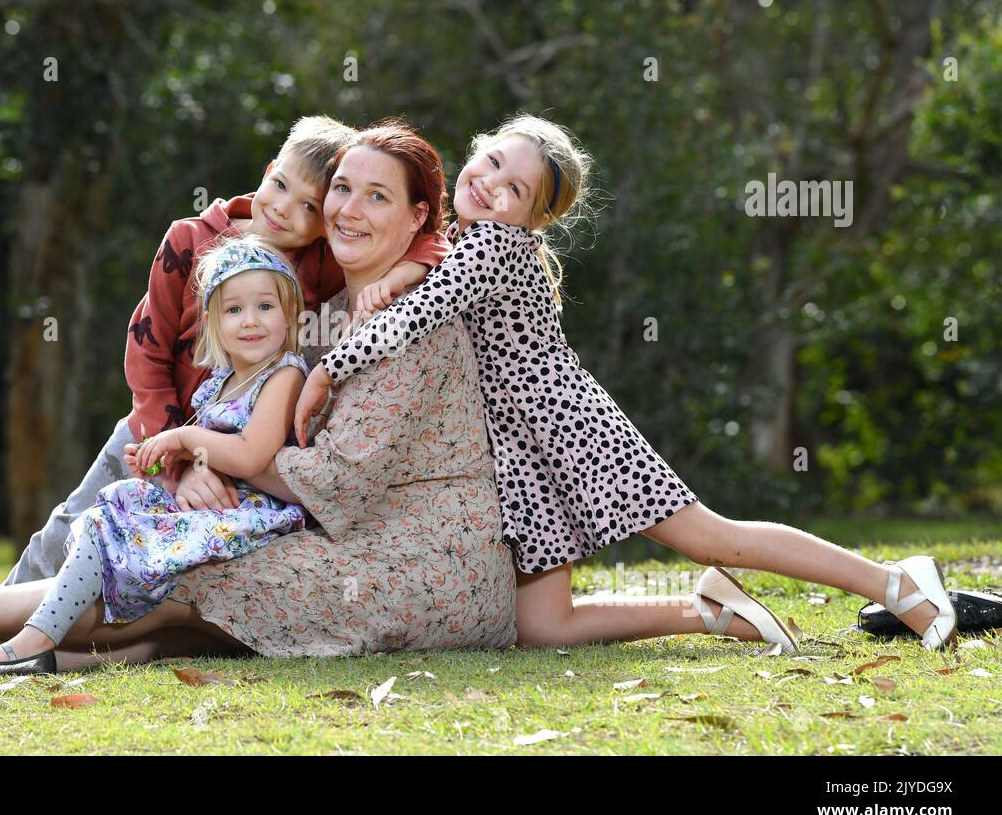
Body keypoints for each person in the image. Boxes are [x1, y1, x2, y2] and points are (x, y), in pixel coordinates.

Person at [0, 118, 516, 676]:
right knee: (86, 534)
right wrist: (179, 453)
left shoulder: (392, 303)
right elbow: (146, 354)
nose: (341, 210)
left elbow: (336, 472)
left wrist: (210, 456)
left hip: (397, 558)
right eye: (340, 191)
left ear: (422, 218)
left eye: (374, 196)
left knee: (175, 576)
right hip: (163, 431)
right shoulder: (211, 243)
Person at [293, 113, 958, 654]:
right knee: (541, 627)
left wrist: (326, 368)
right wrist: (408, 275)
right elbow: (434, 273)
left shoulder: (492, 245)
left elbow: (421, 312)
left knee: (711, 536)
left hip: (574, 432)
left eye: (515, 190)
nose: (493, 185)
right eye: (493, 162)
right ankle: (705, 608)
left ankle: (897, 582)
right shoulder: (468, 244)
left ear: (534, 220)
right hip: (526, 460)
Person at [2, 115, 451, 585]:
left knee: (137, 563)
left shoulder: (319, 264)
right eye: (278, 185)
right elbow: (147, 355)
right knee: (67, 530)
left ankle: (57, 635)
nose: (282, 210)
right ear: (269, 168)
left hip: (239, 452)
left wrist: (403, 275)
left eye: (308, 207)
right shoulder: (188, 239)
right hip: (154, 433)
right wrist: (176, 462)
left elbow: (433, 242)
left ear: (324, 223)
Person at [0, 236, 313, 676]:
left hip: (249, 513)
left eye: (265, 307)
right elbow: (206, 456)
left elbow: (252, 454)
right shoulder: (220, 379)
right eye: (234, 310)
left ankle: (31, 641)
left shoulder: (285, 374)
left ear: (290, 313)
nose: (250, 321)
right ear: (214, 323)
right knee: (114, 506)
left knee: (117, 530)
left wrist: (181, 439)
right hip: (213, 506)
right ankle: (35, 640)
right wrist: (156, 466)